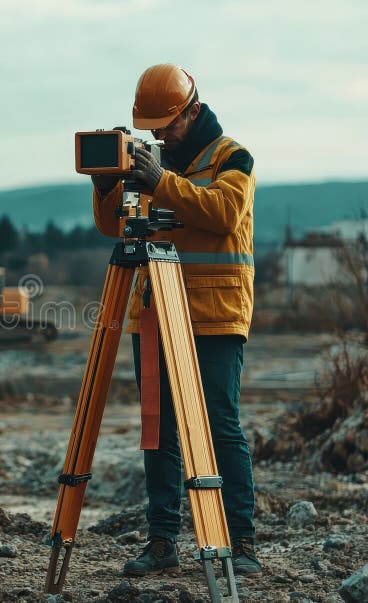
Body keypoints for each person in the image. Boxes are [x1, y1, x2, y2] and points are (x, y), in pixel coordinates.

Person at [91, 64, 261, 576]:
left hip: (214, 313)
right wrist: (106, 186)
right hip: (155, 311)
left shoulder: (233, 158)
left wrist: (160, 181)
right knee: (156, 430)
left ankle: (241, 542)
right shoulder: (150, 163)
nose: (159, 135)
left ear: (193, 109)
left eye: (167, 125)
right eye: (153, 128)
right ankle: (163, 541)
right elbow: (112, 225)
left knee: (219, 427)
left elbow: (222, 213)